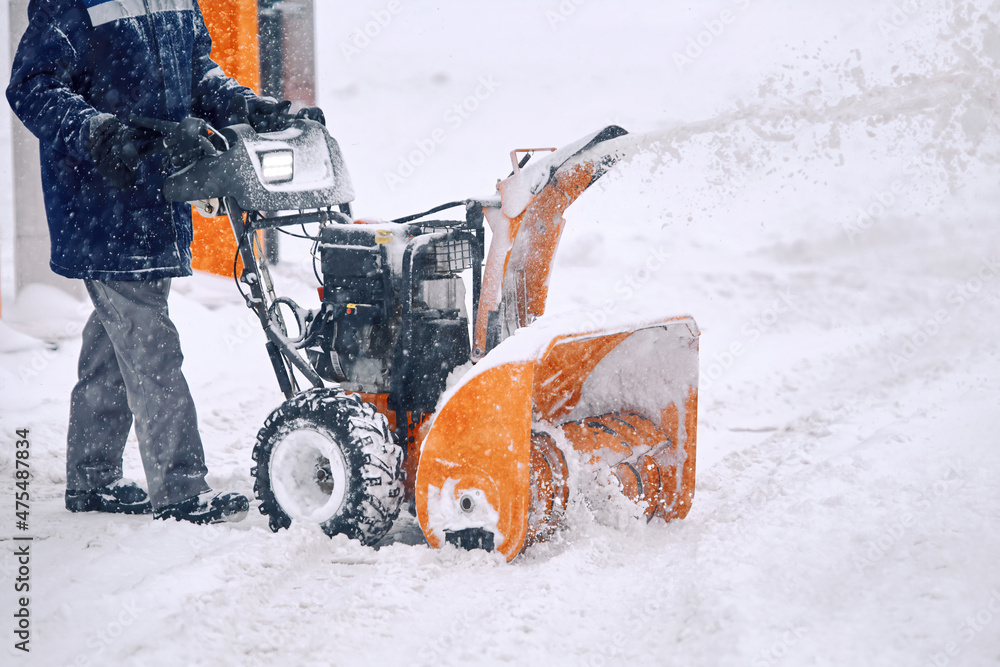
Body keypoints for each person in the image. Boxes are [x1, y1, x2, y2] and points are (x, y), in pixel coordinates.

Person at [6, 0, 321, 523]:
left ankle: (92, 479)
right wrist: (100, 132)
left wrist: (248, 106)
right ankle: (179, 490)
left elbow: (199, 72)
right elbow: (33, 85)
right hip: (101, 204)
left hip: (157, 196)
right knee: (150, 343)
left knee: (116, 340)